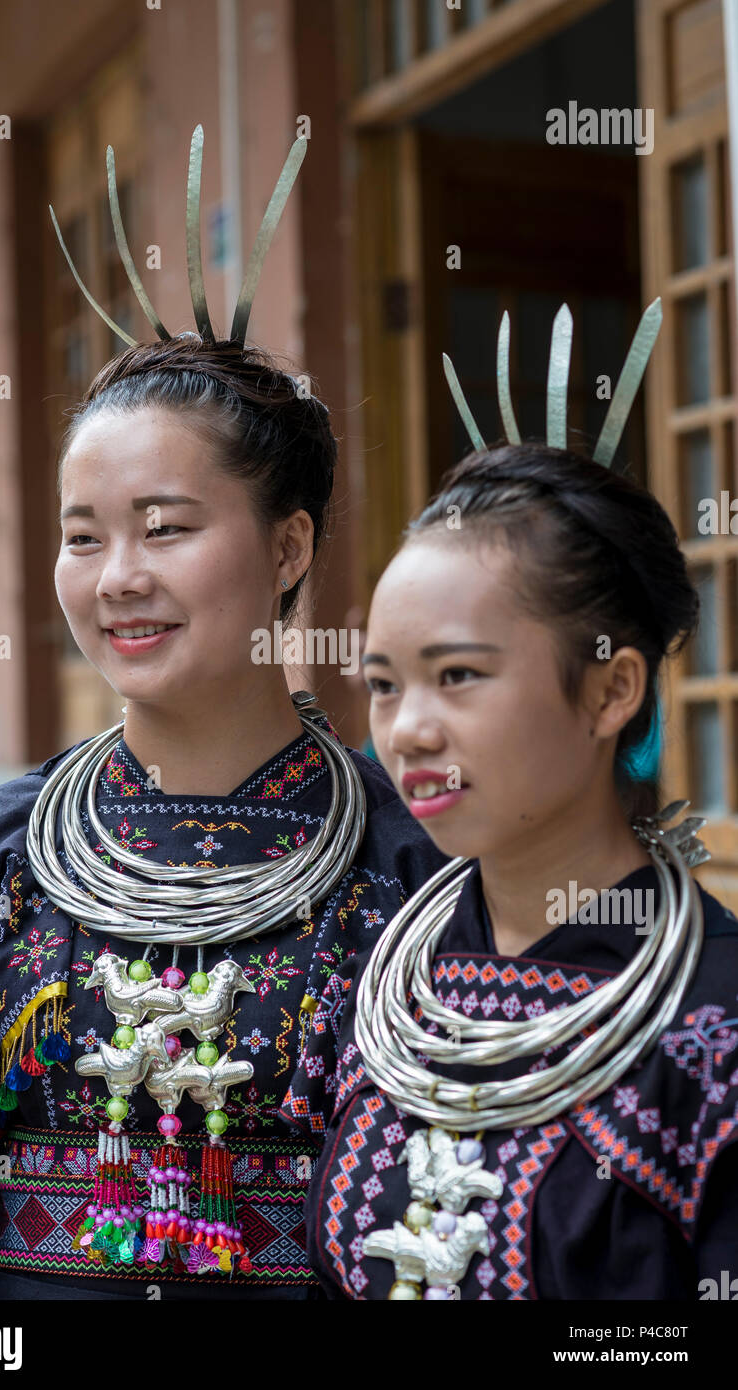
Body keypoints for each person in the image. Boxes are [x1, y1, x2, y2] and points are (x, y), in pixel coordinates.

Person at [0, 131, 446, 1302]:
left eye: (166, 527)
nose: (116, 575)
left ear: (289, 546)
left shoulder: (409, 866)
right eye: (84, 536)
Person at [281, 305, 738, 1300]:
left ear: (611, 690)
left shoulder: (715, 1027)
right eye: (387, 683)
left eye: (458, 677)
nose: (407, 730)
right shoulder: (381, 983)